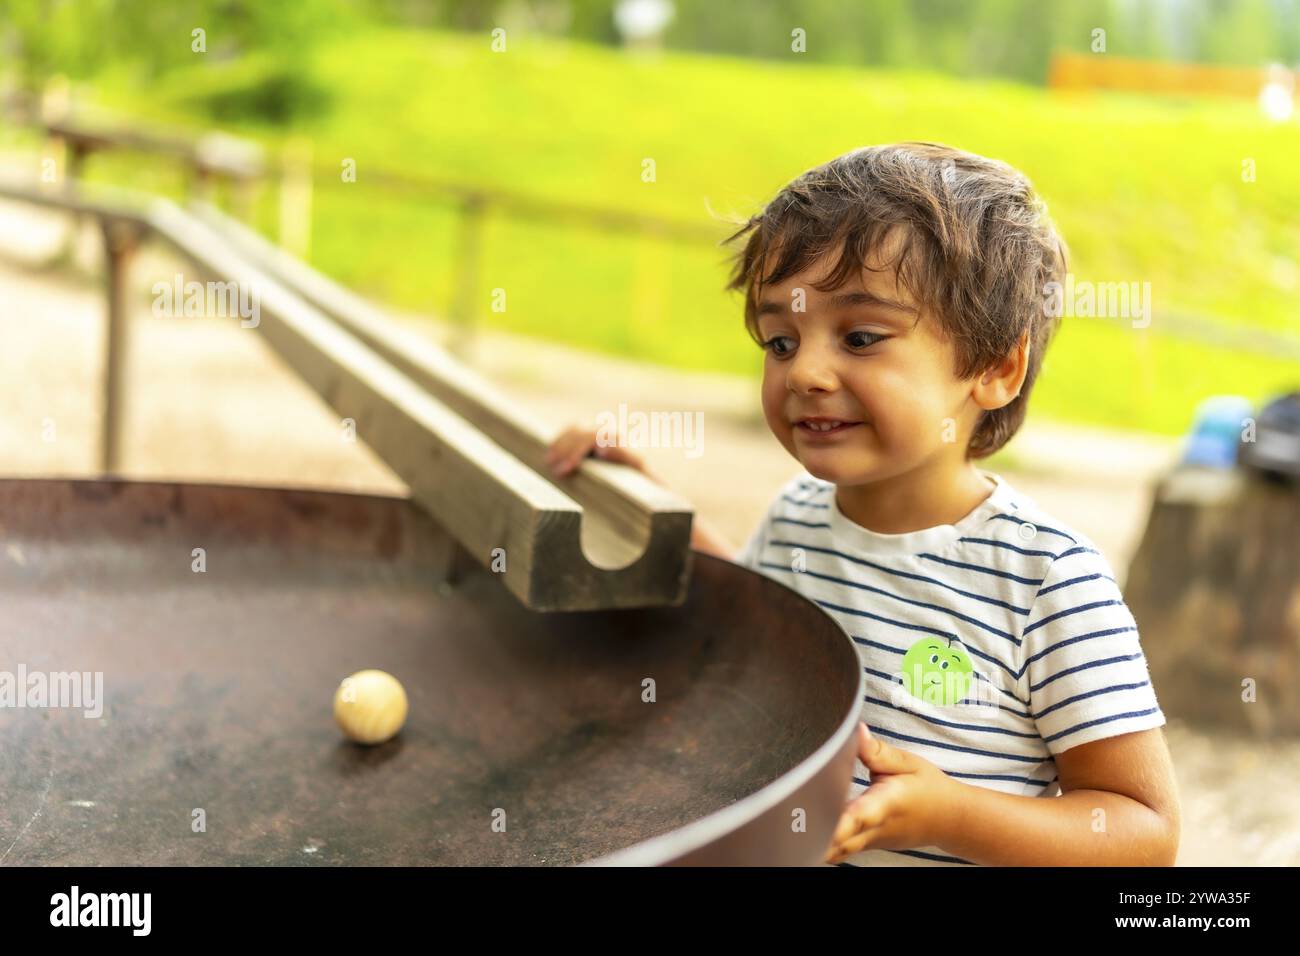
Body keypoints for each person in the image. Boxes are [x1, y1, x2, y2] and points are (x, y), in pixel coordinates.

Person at [546, 142, 1180, 866]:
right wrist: (644, 502)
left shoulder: (1046, 581)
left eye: (861, 337)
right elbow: (760, 617)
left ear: (997, 367)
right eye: (780, 340)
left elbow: (1145, 833)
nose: (807, 372)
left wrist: (952, 816)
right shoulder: (799, 517)